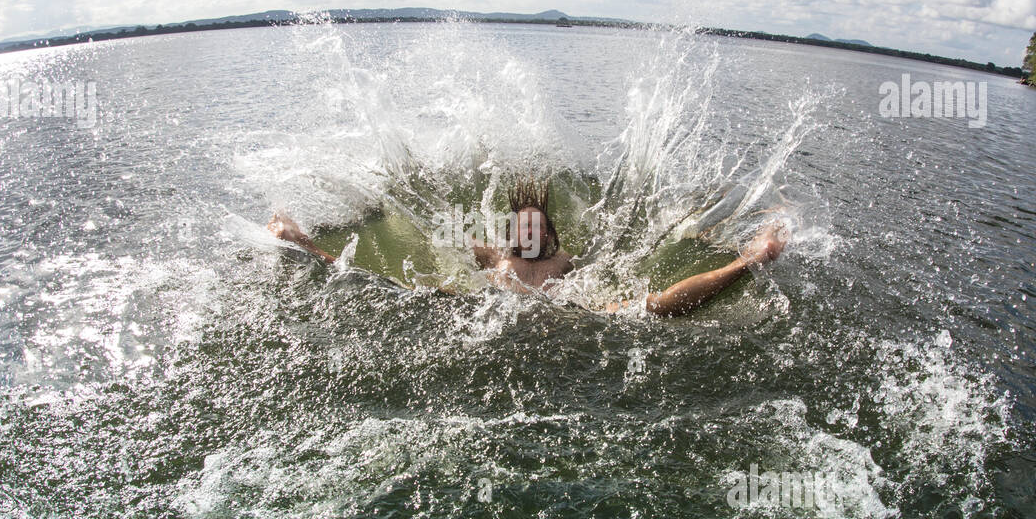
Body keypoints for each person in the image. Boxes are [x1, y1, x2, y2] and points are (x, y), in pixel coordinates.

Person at [266, 175, 788, 317]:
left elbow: (611, 265)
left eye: (540, 227)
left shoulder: (569, 262)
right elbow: (446, 234)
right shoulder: (497, 257)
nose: (531, 236)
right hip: (493, 309)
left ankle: (751, 257)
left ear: (553, 234)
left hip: (566, 312)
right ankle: (302, 242)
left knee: (650, 308)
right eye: (523, 230)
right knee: (402, 291)